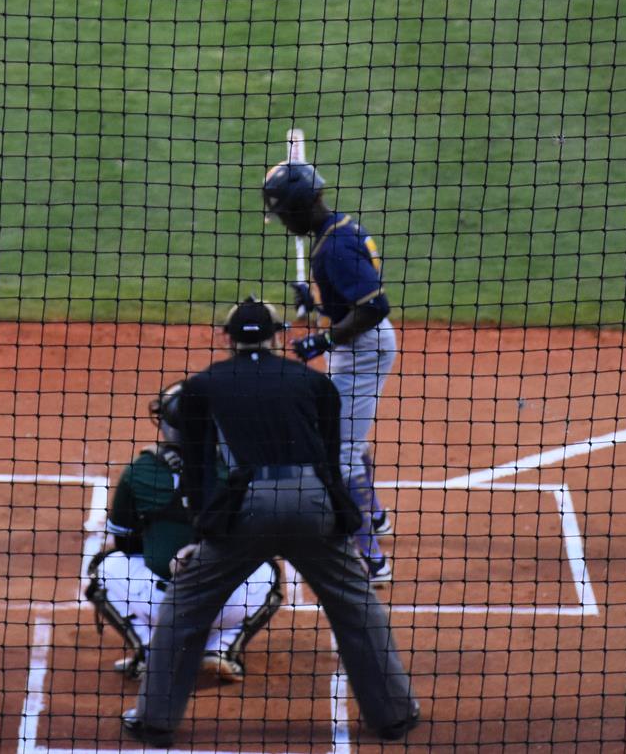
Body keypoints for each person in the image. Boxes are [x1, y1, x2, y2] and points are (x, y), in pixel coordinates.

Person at [122, 299, 419, 747]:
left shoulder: (204, 385)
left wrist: (204, 532)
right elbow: (333, 459)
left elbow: (200, 467)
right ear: (277, 336)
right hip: (314, 499)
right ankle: (395, 715)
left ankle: (154, 721)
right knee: (357, 607)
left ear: (227, 339)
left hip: (248, 505)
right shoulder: (314, 383)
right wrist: (341, 522)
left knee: (184, 607)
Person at [86, 382, 285, 684]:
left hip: (160, 605)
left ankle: (149, 650)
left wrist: (160, 531)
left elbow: (123, 540)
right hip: (226, 600)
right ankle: (222, 649)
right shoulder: (241, 468)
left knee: (102, 568)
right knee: (268, 570)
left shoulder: (141, 470)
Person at [262, 155, 398, 583]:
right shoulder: (335, 231)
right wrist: (315, 303)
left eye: (283, 213)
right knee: (345, 437)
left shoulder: (334, 247)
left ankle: (370, 560)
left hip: (361, 351)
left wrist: (322, 339)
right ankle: (373, 517)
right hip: (356, 347)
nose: (282, 222)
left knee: (337, 455)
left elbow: (374, 307)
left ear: (300, 207)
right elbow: (348, 301)